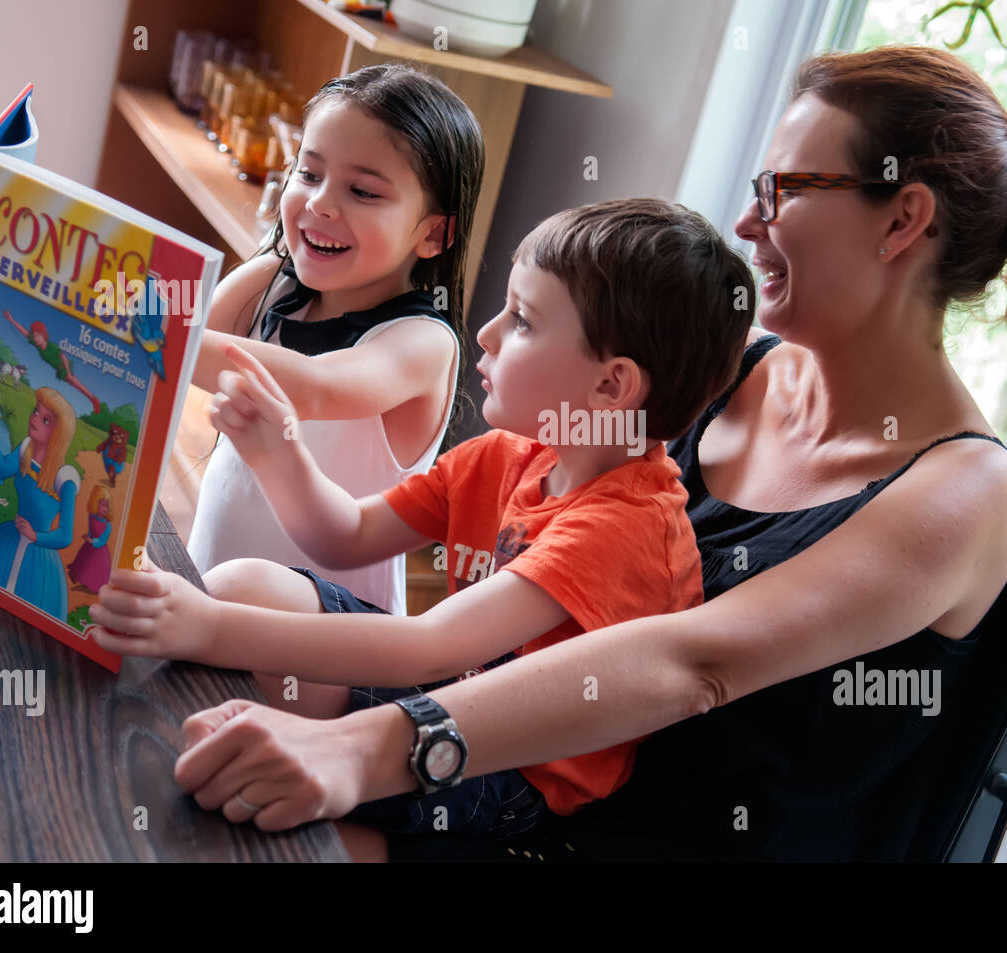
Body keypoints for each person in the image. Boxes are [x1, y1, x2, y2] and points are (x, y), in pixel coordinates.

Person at [158, 44, 1007, 862]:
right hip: (508, 762)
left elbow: (692, 663)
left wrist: (369, 748)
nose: (749, 220)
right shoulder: (727, 369)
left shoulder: (963, 491)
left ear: (902, 219)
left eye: (783, 190)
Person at [89, 198, 755, 847]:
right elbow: (346, 535)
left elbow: (433, 644)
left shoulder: (625, 529)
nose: (486, 333)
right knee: (243, 586)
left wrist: (209, 628)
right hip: (446, 690)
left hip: (511, 772)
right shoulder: (508, 454)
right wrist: (280, 452)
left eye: (522, 320)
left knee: (239, 692)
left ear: (611, 388)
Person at [184, 63, 484, 613]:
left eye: (363, 191)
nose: (321, 202)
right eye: (308, 172)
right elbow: (179, 347)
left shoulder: (422, 342)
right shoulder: (268, 282)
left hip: (330, 646)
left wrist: (148, 330)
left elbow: (315, 387)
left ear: (433, 233)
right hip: (212, 603)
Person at [0, 387, 81, 620]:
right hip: (8, 541)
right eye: (35, 411)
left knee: (27, 610)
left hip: (39, 555)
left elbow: (65, 535)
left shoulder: (65, 481)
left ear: (58, 433)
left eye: (45, 419)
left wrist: (36, 536)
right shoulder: (25, 453)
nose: (34, 418)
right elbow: (1, 468)